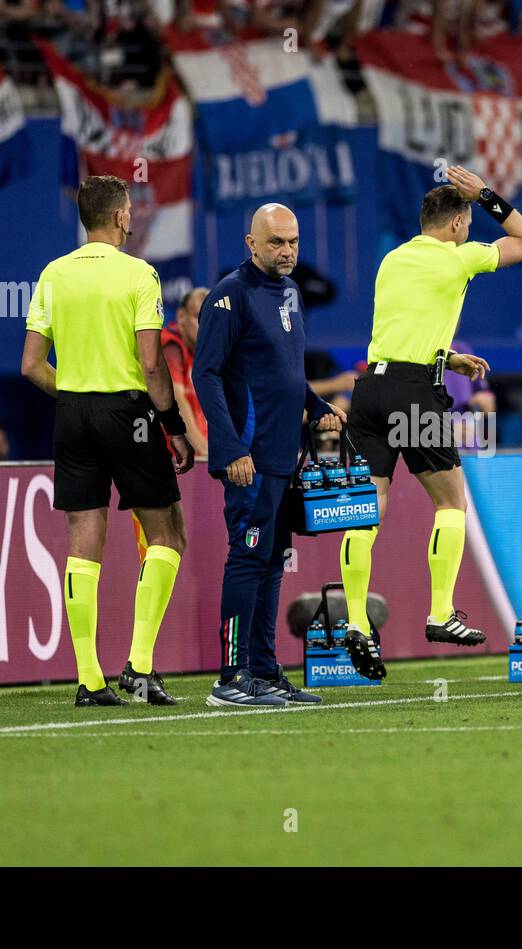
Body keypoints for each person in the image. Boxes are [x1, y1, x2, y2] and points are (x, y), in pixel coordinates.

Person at [338, 166, 522, 679]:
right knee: (451, 501)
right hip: (411, 396)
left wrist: (448, 358)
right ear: (454, 224)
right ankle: (441, 612)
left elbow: (405, 330)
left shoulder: (391, 260)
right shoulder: (459, 258)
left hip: (370, 391)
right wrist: (489, 196)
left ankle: (358, 621)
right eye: (469, 222)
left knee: (368, 506)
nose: (471, 231)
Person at [21, 174, 194, 708]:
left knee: (83, 543)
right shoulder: (139, 274)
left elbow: (30, 366)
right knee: (167, 535)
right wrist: (174, 427)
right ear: (121, 216)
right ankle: (140, 666)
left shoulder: (53, 274)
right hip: (129, 412)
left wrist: (76, 394)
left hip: (72, 414)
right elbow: (150, 363)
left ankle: (89, 680)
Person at [194, 203, 346, 708]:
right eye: (277, 242)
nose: (287, 251)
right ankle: (230, 677)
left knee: (273, 562)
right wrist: (233, 445)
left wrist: (317, 404)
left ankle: (263, 670)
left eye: (293, 242)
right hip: (250, 458)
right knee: (247, 557)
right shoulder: (229, 296)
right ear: (251, 243)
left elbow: (283, 373)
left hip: (285, 455)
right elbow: (206, 375)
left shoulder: (290, 292)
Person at [162, 286, 210, 458]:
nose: (205, 325)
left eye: (209, 318)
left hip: (195, 454)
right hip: (173, 459)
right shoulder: (171, 346)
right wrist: (206, 452)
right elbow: (178, 402)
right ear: (182, 316)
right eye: (198, 317)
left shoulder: (204, 352)